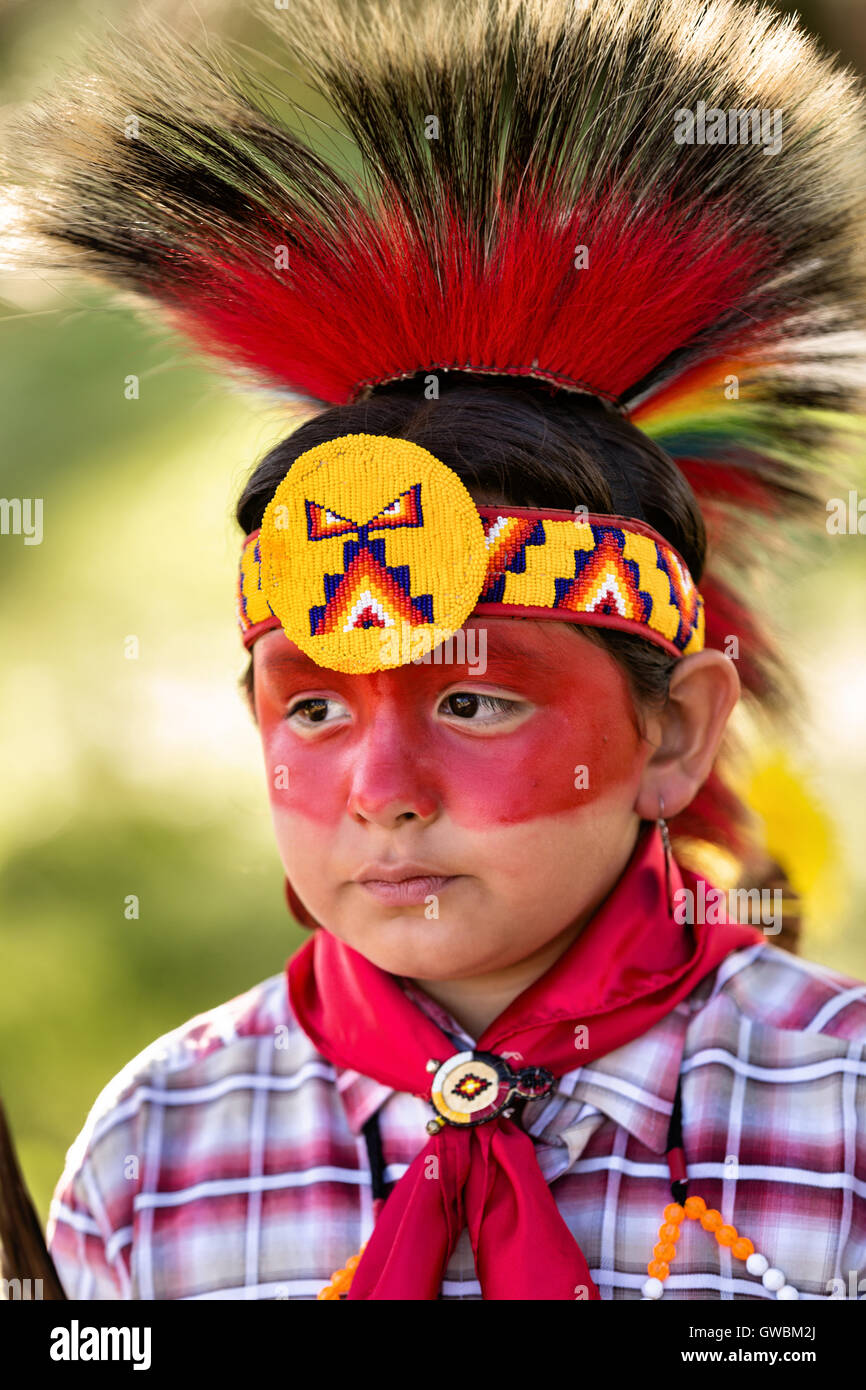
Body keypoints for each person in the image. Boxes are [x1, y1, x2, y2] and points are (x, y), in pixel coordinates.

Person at [3, 0, 866, 1300]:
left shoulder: (837, 1118)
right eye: (313, 715)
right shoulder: (157, 1149)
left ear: (675, 730)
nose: (381, 786)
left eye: (468, 698)